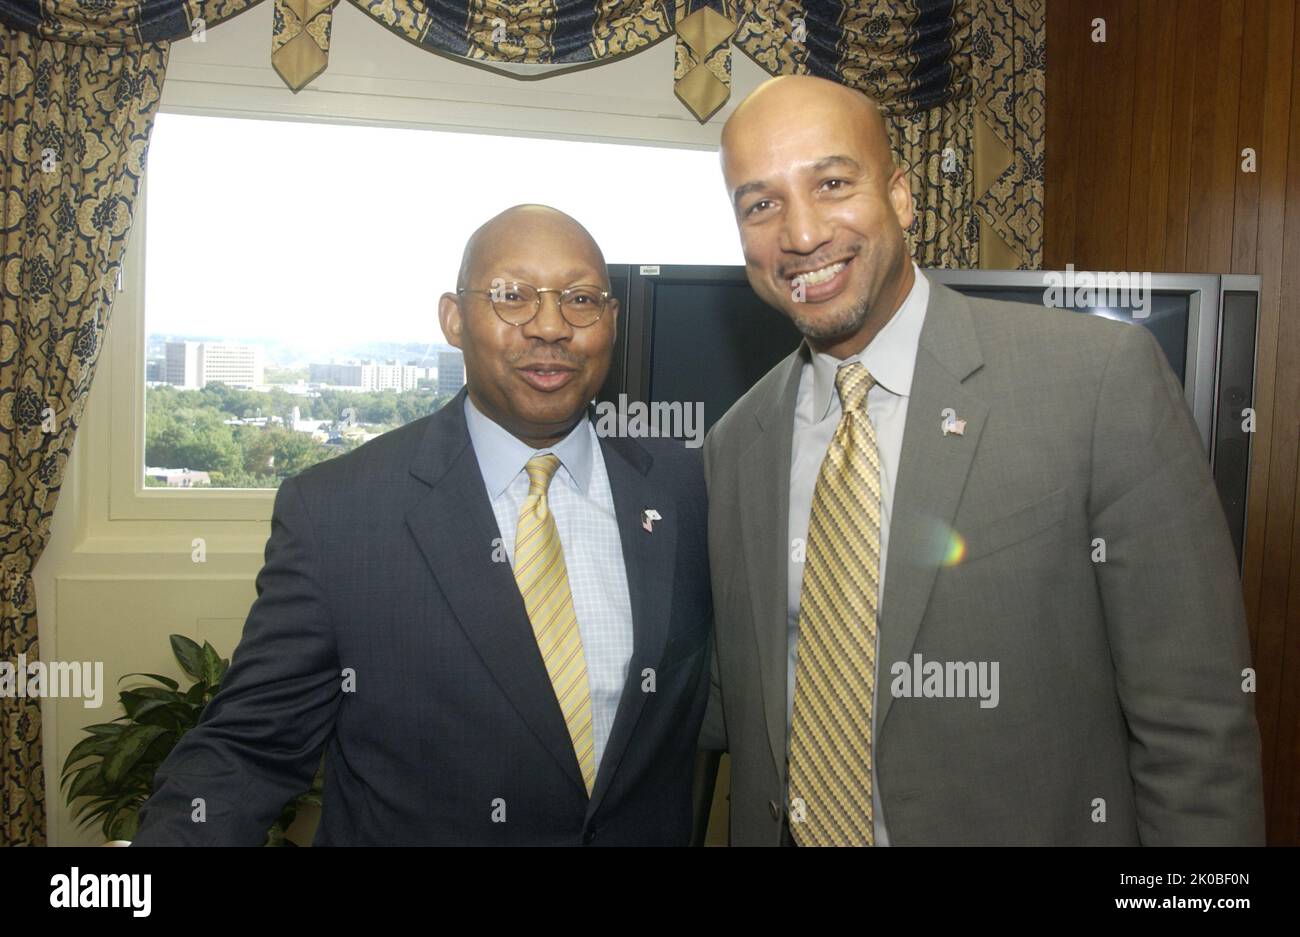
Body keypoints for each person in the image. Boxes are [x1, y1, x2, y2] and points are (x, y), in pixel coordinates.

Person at [699, 75, 1265, 846]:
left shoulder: (1097, 382)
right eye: (760, 203)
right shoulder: (736, 445)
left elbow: (1195, 726)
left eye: (832, 183)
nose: (800, 233)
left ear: (900, 195)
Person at [133, 205, 711, 845]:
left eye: (580, 299)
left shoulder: (691, 490)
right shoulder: (338, 514)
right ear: (453, 319)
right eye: (511, 296)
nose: (550, 327)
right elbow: (252, 748)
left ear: (610, 322)